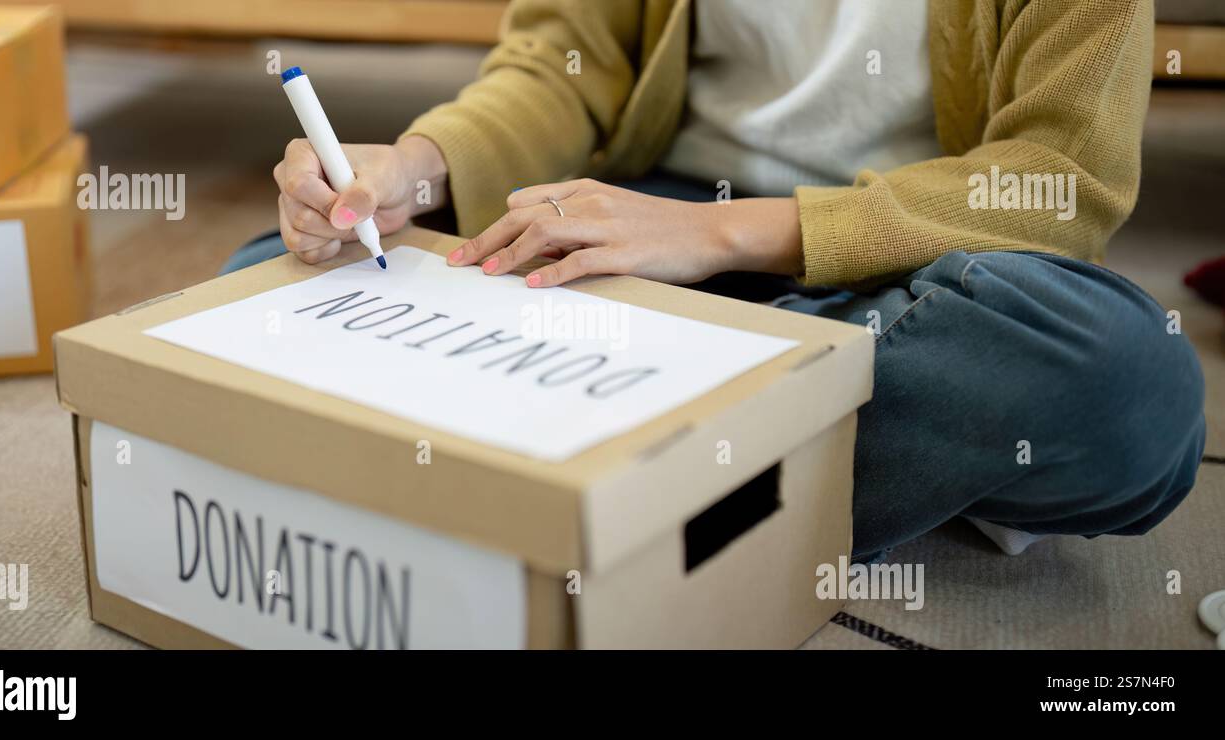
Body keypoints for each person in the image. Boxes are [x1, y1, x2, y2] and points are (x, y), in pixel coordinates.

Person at [229, 0, 1205, 562]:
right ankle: (702, 496)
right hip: (639, 215)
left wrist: (713, 234)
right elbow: (563, 64)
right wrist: (419, 165)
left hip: (898, 267)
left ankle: (545, 492)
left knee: (1124, 384)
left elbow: (1057, 180)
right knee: (260, 290)